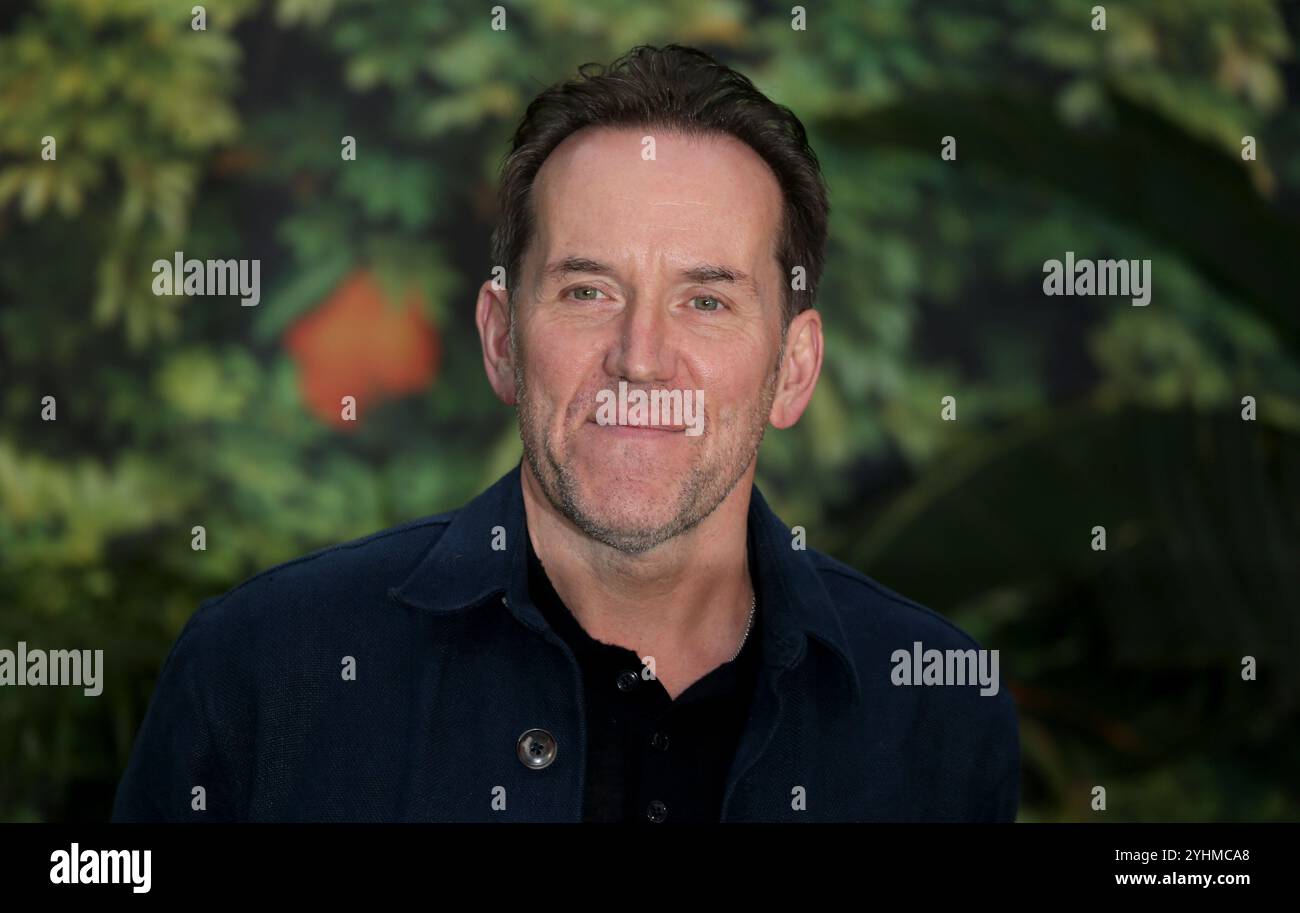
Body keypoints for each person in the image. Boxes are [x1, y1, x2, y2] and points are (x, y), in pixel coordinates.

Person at [112, 43, 1019, 823]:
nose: (641, 358)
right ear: (503, 340)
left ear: (793, 367)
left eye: (706, 300)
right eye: (588, 290)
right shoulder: (263, 674)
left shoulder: (935, 709)